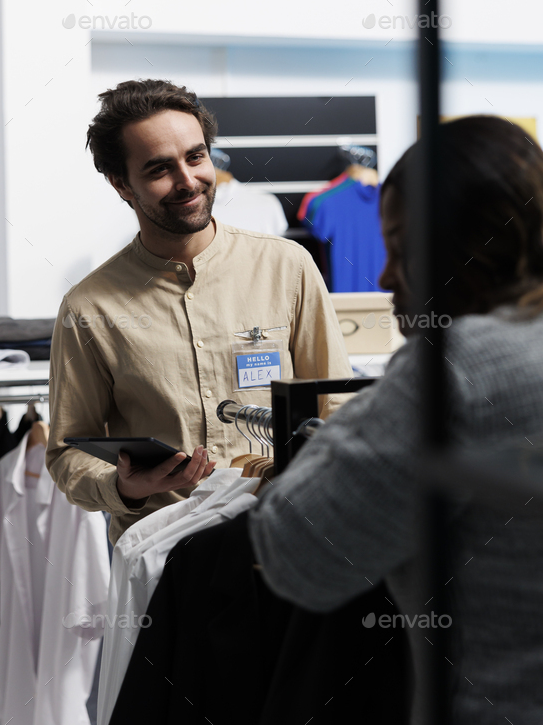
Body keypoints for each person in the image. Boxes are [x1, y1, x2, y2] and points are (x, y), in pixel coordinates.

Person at [248, 115, 543, 725]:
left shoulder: (459, 368)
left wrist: (350, 420)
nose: (386, 279)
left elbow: (299, 557)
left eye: (401, 248)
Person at [46, 79, 351, 544]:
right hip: (160, 550)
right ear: (122, 184)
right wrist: (122, 486)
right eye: (159, 169)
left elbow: (335, 408)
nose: (188, 181)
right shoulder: (89, 307)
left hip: (286, 538)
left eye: (195, 157)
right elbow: (68, 452)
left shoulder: (287, 266)